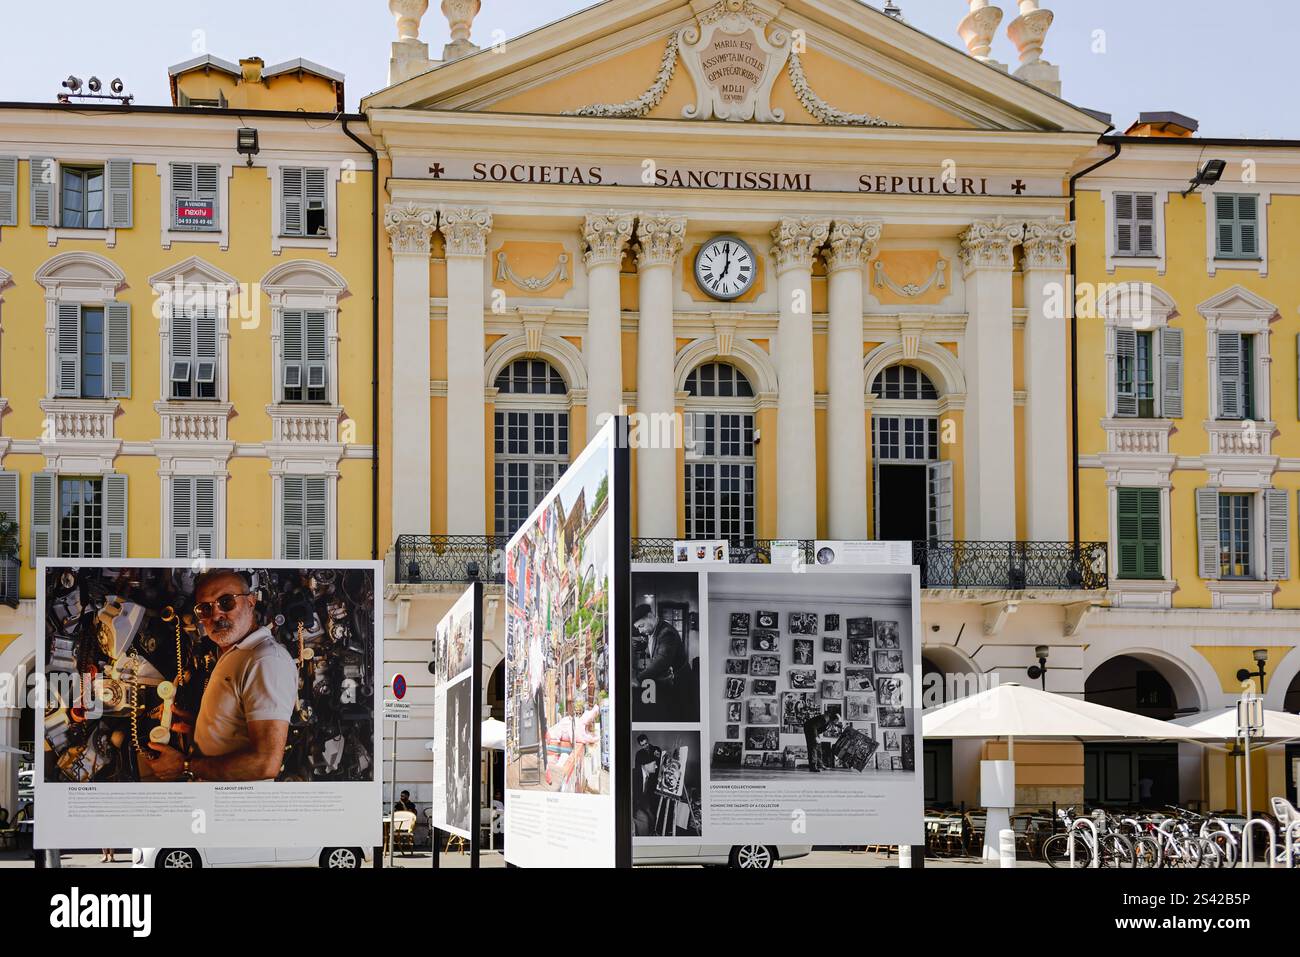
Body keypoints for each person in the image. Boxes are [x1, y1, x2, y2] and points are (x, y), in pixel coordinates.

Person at [145, 570, 296, 782]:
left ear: (251, 602)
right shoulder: (234, 654)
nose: (215, 615)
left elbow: (265, 764)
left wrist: (184, 765)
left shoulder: (266, 660)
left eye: (226, 602)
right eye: (205, 608)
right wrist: (204, 726)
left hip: (234, 808)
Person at [632, 603, 690, 721]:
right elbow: (654, 646)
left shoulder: (666, 633)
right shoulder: (655, 630)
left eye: (641, 626)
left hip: (679, 684)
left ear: (650, 616)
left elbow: (662, 660)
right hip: (669, 681)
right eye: (638, 628)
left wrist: (638, 678)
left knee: (676, 715)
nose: (640, 631)